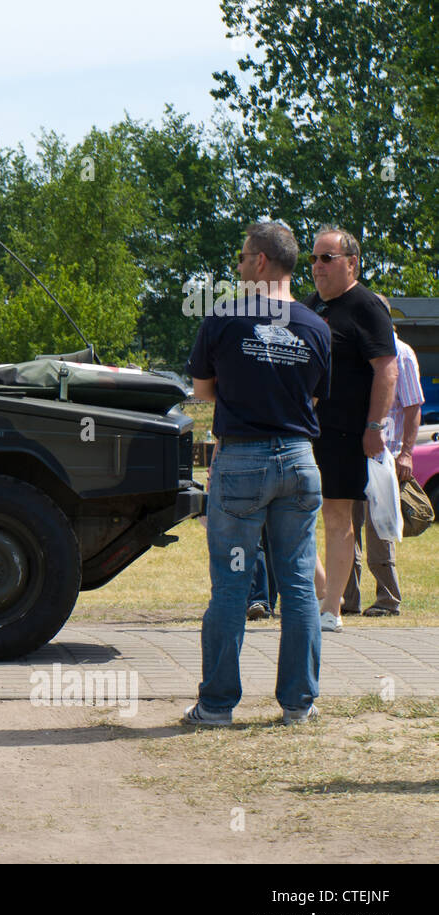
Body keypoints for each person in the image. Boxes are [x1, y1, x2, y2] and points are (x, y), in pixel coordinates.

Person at [183, 222, 330, 726]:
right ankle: (298, 705)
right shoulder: (316, 326)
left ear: (261, 261)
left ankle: (216, 706)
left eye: (243, 258)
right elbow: (314, 397)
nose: (240, 266)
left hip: (242, 462)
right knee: (299, 584)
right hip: (299, 461)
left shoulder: (224, 318)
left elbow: (202, 390)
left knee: (232, 584)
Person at [304, 227, 398, 633]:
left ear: (352, 263)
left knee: (337, 514)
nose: (317, 266)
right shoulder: (310, 306)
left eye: (327, 258)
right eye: (313, 258)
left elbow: (387, 370)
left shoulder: (366, 306)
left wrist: (374, 425)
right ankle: (326, 592)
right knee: (289, 510)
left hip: (345, 430)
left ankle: (331, 611)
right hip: (303, 429)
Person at [342, 297, 424, 617]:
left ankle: (388, 600)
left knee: (380, 528)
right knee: (346, 528)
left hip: (383, 456)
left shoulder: (401, 352)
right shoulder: (358, 351)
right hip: (351, 452)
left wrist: (406, 454)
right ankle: (347, 599)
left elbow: (413, 406)